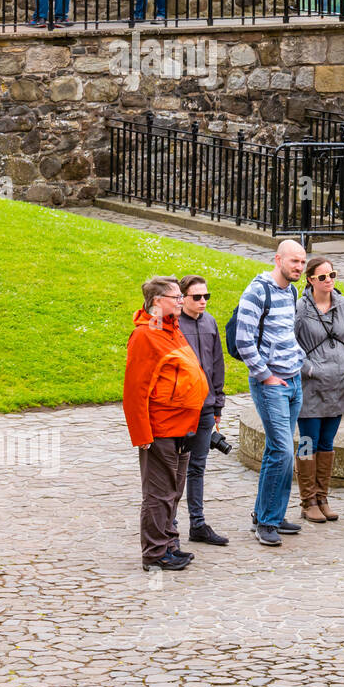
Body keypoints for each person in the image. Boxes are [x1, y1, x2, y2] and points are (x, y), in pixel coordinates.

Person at [123, 276, 208, 571]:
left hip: (182, 427)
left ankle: (169, 545)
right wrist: (142, 434)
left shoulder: (172, 329)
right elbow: (135, 391)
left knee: (174, 490)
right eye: (176, 297)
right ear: (158, 302)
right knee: (158, 494)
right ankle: (155, 553)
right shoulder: (145, 336)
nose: (181, 301)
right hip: (160, 429)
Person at [236, 239, 307, 547]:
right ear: (278, 259)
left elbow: (286, 332)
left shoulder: (291, 292)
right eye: (294, 262)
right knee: (283, 451)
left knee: (277, 450)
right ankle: (265, 522)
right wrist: (266, 376)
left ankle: (271, 515)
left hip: (293, 380)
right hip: (271, 384)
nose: (300, 268)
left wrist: (298, 361)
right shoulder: (257, 291)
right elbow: (243, 341)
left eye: (303, 263)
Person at [295, 257, 344, 525]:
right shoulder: (299, 308)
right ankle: (307, 500)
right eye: (322, 277)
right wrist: (309, 369)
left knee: (327, 443)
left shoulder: (343, 304)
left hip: (338, 384)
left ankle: (322, 497)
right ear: (310, 280)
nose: (329, 280)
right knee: (308, 442)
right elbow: (291, 345)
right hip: (311, 385)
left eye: (332, 274)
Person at [178, 274, 227, 546]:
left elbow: (217, 363)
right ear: (183, 298)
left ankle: (197, 524)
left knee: (197, 466)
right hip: (181, 408)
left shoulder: (210, 322)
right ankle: (169, 526)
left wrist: (218, 402)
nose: (202, 301)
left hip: (206, 407)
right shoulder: (174, 326)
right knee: (175, 467)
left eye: (206, 296)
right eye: (196, 297)